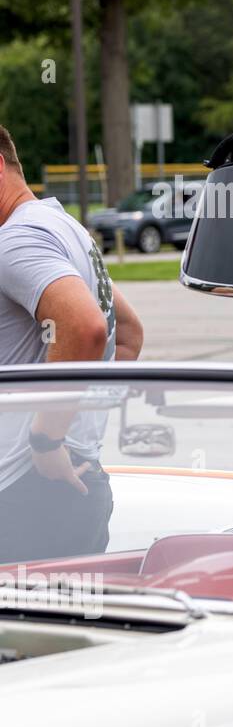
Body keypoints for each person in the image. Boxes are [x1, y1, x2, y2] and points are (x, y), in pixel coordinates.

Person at [0, 124, 144, 562]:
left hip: (30, 496)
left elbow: (84, 329)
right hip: (71, 486)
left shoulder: (16, 240)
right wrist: (79, 436)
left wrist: (47, 441)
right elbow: (130, 334)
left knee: (27, 633)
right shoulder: (63, 227)